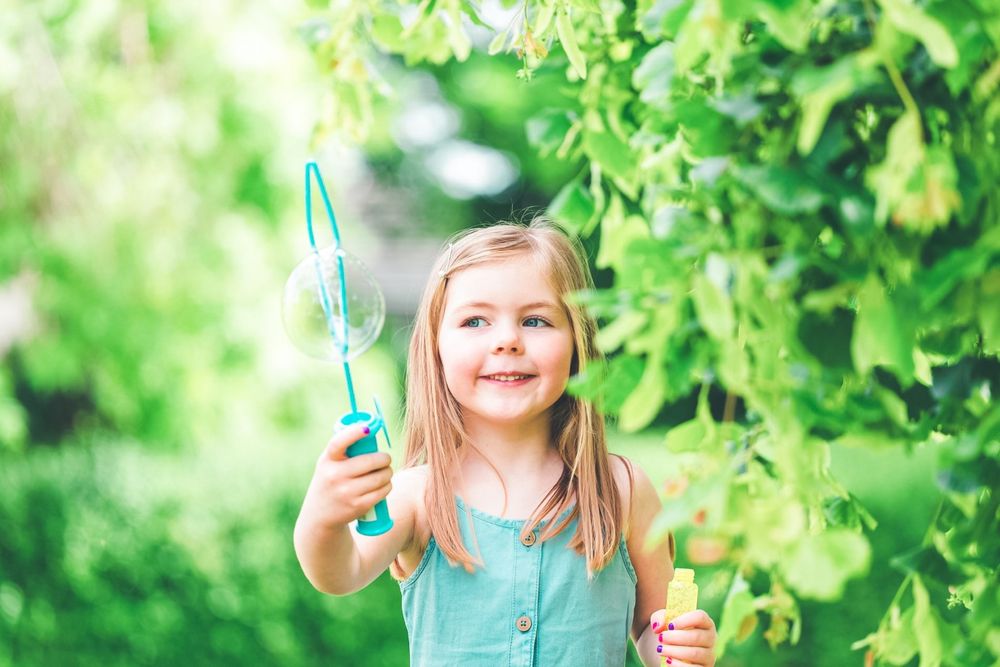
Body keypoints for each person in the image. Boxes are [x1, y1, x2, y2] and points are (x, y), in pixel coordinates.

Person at [294, 218, 718, 666]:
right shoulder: (418, 496)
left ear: (577, 343)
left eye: (535, 320)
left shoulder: (623, 490)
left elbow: (654, 632)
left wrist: (680, 649)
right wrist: (323, 516)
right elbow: (339, 572)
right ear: (435, 349)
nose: (507, 341)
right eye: (475, 321)